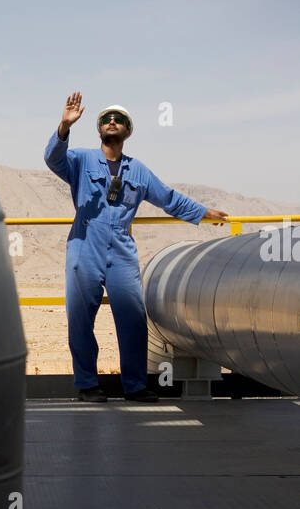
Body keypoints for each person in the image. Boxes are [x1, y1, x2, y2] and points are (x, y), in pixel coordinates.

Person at [44, 92, 229, 402]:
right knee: (79, 319)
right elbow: (53, 159)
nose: (111, 122)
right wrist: (64, 126)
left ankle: (135, 386)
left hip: (121, 250)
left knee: (132, 318)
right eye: (105, 119)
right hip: (84, 245)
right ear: (99, 129)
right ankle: (87, 386)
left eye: (118, 120)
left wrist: (203, 213)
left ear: (127, 131)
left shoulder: (138, 171)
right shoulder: (80, 160)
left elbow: (168, 198)